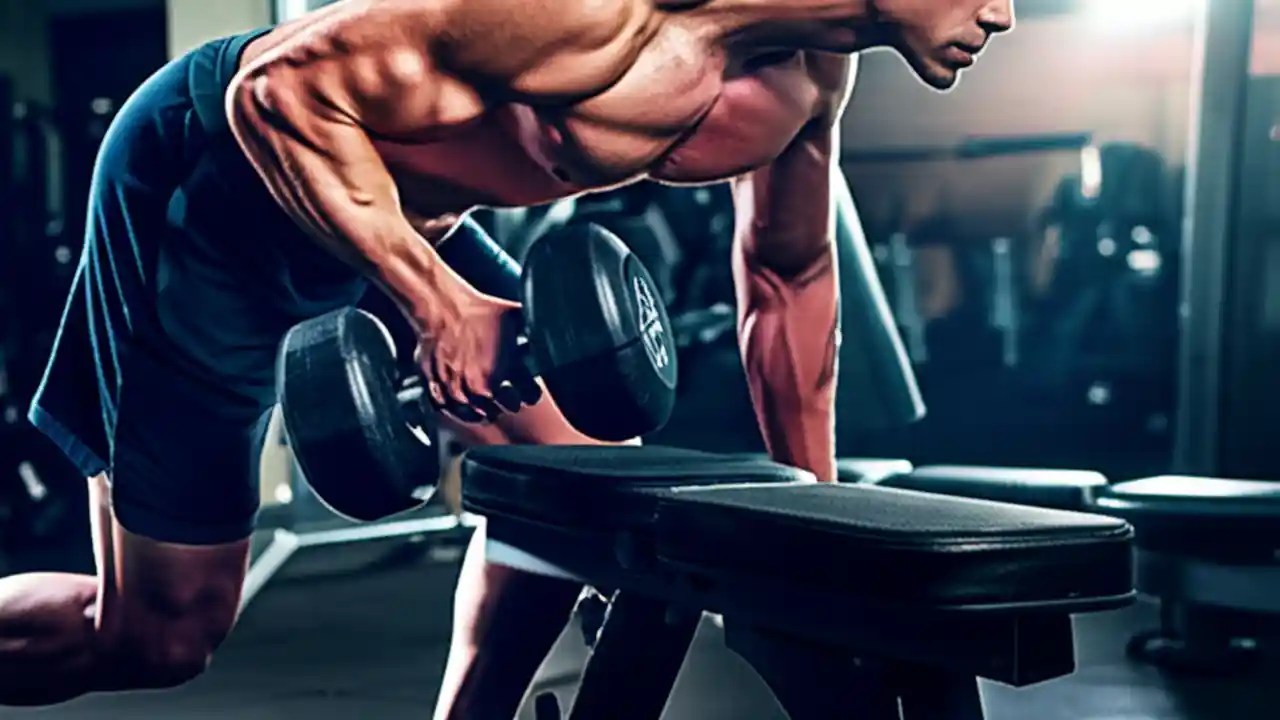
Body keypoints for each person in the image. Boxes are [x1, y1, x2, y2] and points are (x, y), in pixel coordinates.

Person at [0, 0, 1013, 712]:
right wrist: (438, 304)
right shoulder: (589, 15)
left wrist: (816, 515)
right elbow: (275, 95)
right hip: (219, 187)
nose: (1000, 13)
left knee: (574, 492)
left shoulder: (810, 80)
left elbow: (787, 280)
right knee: (153, 640)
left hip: (399, 214)